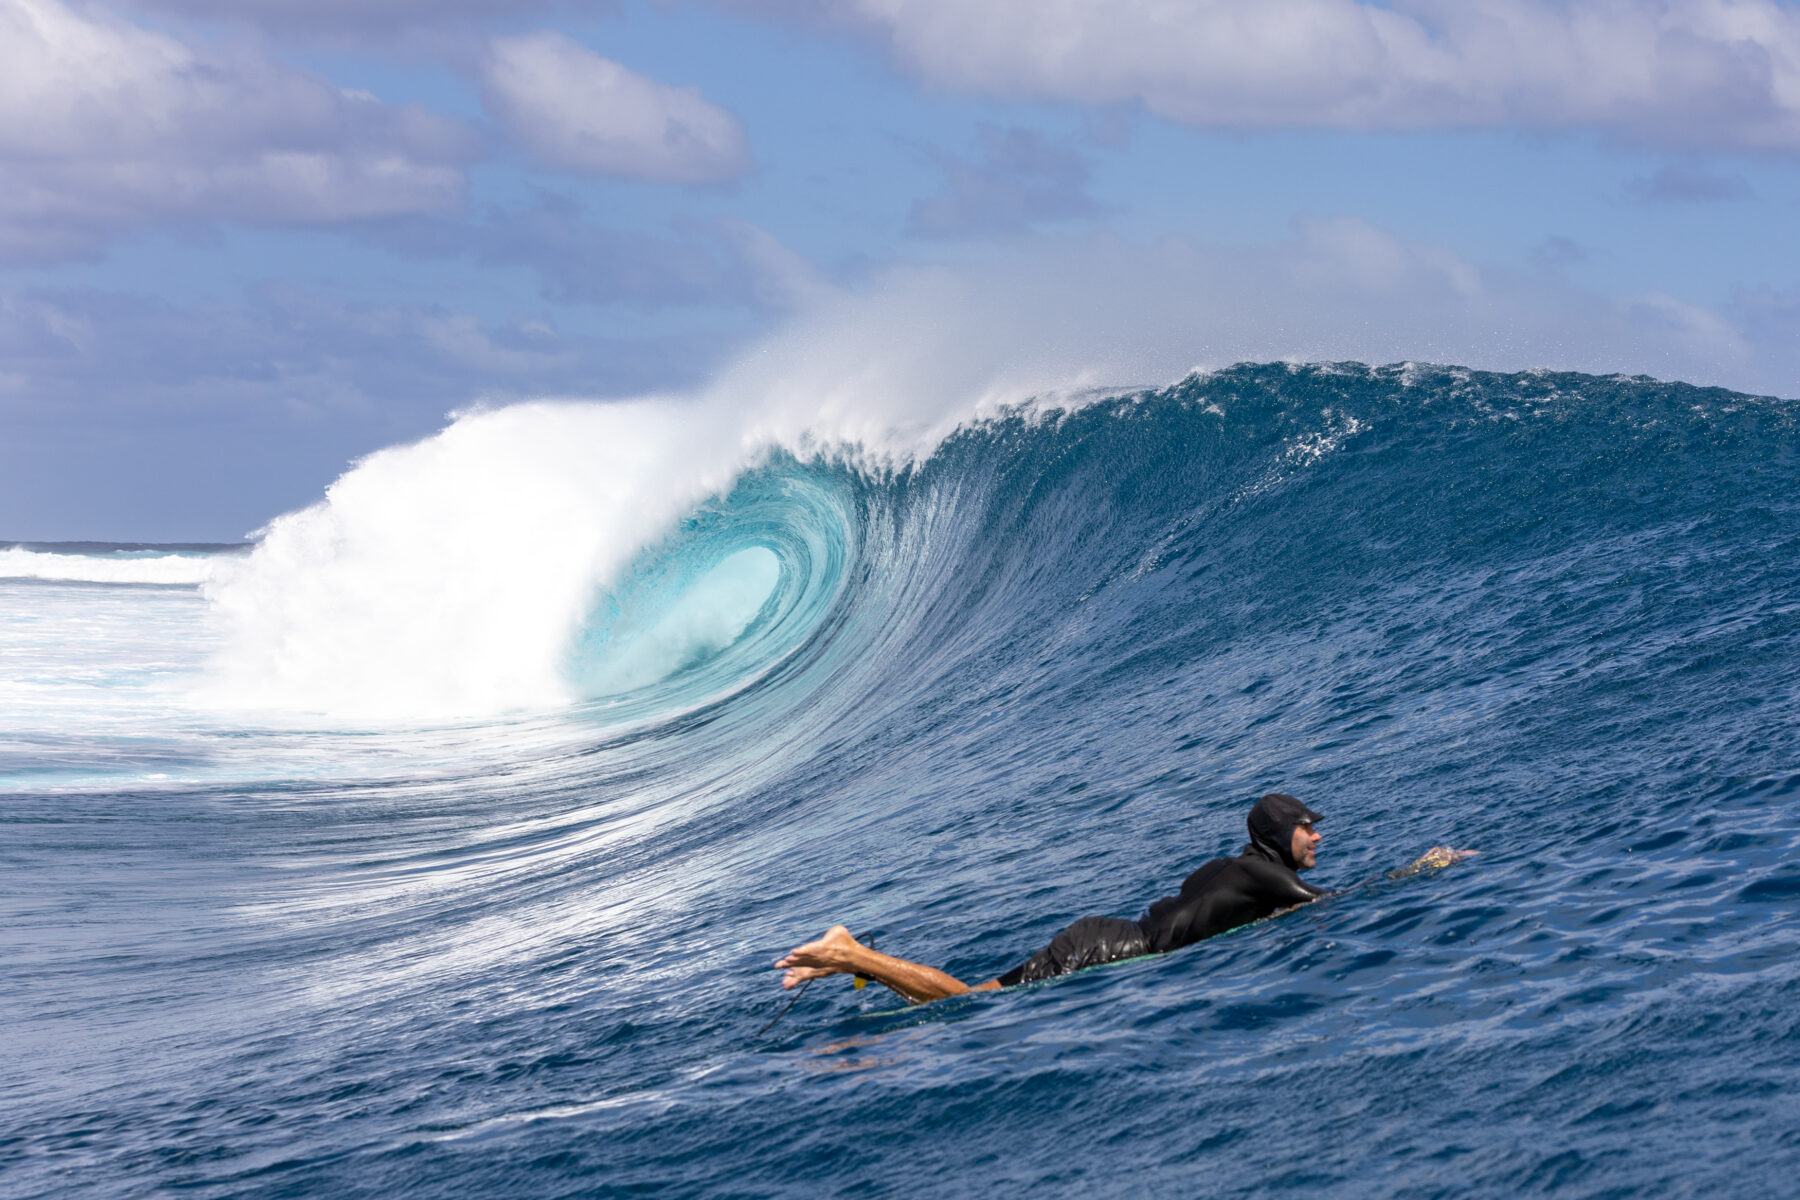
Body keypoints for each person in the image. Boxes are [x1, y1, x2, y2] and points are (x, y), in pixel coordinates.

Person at [774, 793, 1473, 1005]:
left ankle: (845, 963)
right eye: (1306, 827)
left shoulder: (1226, 869)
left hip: (1103, 937)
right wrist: (1423, 869)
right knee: (964, 1008)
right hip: (1108, 950)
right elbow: (1332, 903)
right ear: (1275, 836)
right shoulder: (1263, 876)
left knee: (968, 997)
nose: (1316, 835)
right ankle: (852, 951)